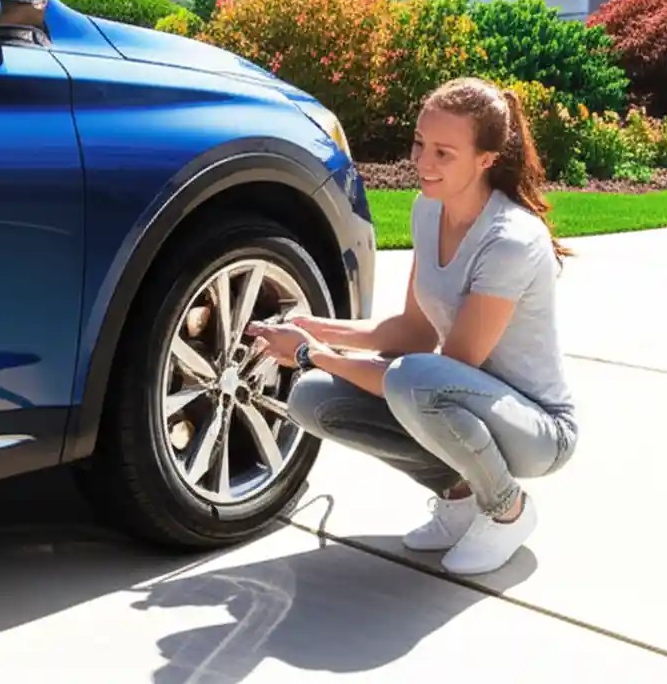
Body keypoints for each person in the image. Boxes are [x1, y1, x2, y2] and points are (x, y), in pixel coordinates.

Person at [247, 77, 579, 576]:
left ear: (486, 158)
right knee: (313, 398)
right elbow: (411, 332)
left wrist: (309, 352)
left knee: (408, 380)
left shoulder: (510, 239)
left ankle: (507, 509)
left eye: (444, 152)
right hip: (458, 401)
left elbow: (442, 370)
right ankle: (459, 495)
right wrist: (313, 325)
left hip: (537, 430)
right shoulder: (429, 211)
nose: (423, 162)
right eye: (420, 143)